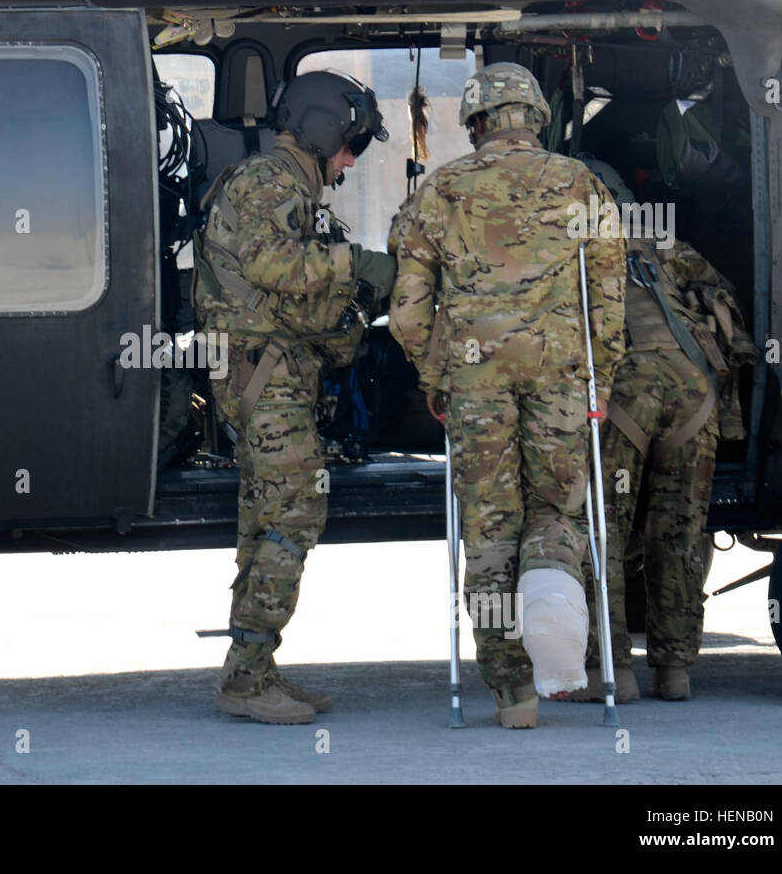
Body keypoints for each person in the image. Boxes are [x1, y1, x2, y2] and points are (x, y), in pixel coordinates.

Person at [388, 62, 626, 728]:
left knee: (491, 528)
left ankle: (510, 690)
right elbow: (606, 298)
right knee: (556, 511)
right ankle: (558, 646)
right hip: (561, 377)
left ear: (476, 122)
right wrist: (598, 383)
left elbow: (408, 310)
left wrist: (435, 373)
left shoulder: (441, 191)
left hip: (474, 381)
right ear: (535, 116)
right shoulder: (582, 184)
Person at [194, 70, 397, 724]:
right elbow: (273, 267)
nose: (348, 163)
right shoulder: (265, 184)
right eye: (351, 147)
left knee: (268, 517)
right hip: (262, 371)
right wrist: (357, 266)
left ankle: (252, 670)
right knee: (292, 513)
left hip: (275, 368)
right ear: (322, 130)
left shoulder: (285, 189)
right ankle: (247, 682)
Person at [567, 158, 756, 703]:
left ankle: (612, 672)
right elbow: (721, 293)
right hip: (694, 390)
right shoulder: (656, 238)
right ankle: (674, 673)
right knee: (677, 532)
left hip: (624, 389)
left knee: (602, 529)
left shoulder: (564, 239)